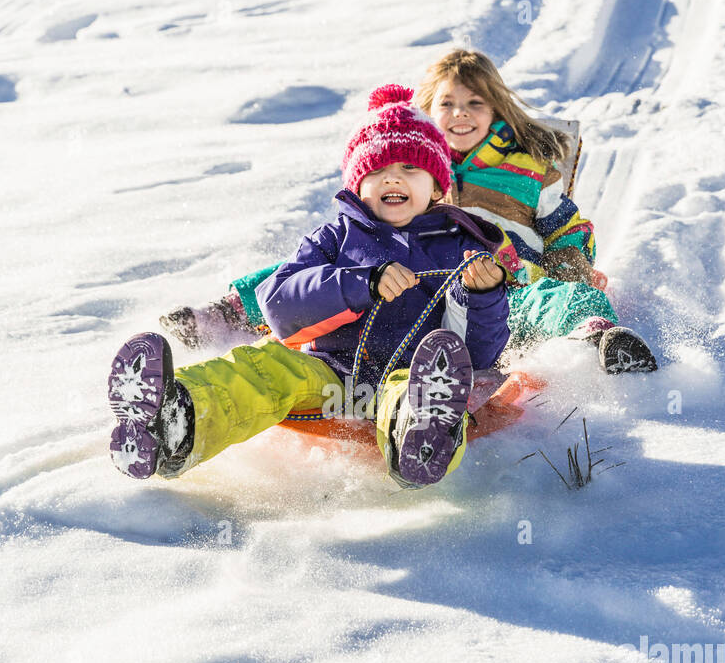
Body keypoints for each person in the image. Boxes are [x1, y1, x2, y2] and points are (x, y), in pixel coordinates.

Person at [108, 85, 511, 489]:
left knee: (419, 390)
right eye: (377, 170)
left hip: (410, 376)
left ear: (437, 186)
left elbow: (476, 354)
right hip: (328, 373)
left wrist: (480, 296)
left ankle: (420, 437)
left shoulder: (461, 246)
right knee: (266, 366)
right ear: (358, 183)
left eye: (410, 169)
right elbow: (279, 307)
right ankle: (177, 421)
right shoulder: (334, 237)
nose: (393, 177)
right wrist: (361, 284)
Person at [161, 49, 657, 375]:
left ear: (497, 109)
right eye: (448, 104)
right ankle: (227, 314)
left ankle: (598, 337)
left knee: (560, 297)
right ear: (429, 111)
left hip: (508, 275)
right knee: (310, 270)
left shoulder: (525, 167)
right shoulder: (415, 165)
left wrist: (570, 263)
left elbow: (568, 225)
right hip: (423, 279)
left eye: (474, 103)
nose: (460, 114)